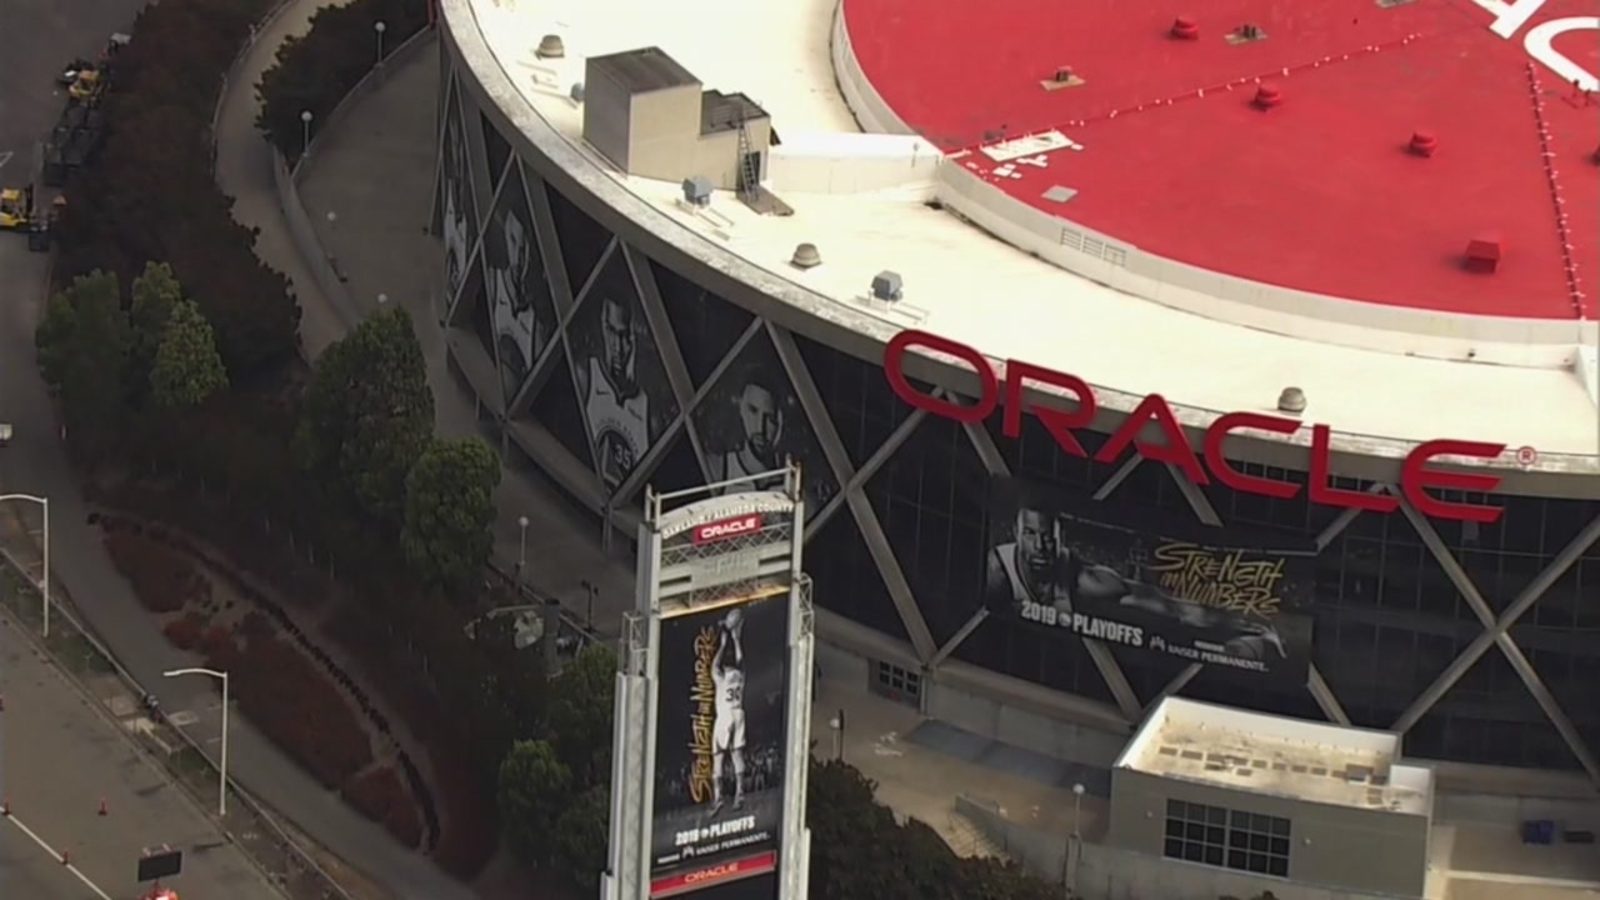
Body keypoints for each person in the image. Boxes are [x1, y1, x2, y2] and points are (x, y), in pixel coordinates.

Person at [578, 294, 651, 490]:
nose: (618, 347)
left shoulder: (647, 405)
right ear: (602, 328)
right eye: (611, 331)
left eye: (624, 335)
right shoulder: (587, 375)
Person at [484, 194, 545, 398]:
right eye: (512, 240)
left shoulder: (536, 326)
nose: (518, 258)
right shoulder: (493, 283)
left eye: (523, 248)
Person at [710, 370, 786, 493]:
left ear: (780, 421)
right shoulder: (718, 468)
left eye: (769, 418)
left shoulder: (790, 484)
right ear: (741, 409)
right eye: (753, 411)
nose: (760, 428)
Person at [709, 607, 748, 815]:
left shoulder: (722, 678)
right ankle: (740, 792)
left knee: (718, 756)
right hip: (739, 713)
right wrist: (736, 639)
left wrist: (723, 645)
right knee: (736, 754)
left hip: (724, 716)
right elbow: (741, 661)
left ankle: (718, 797)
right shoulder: (740, 676)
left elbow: (713, 666)